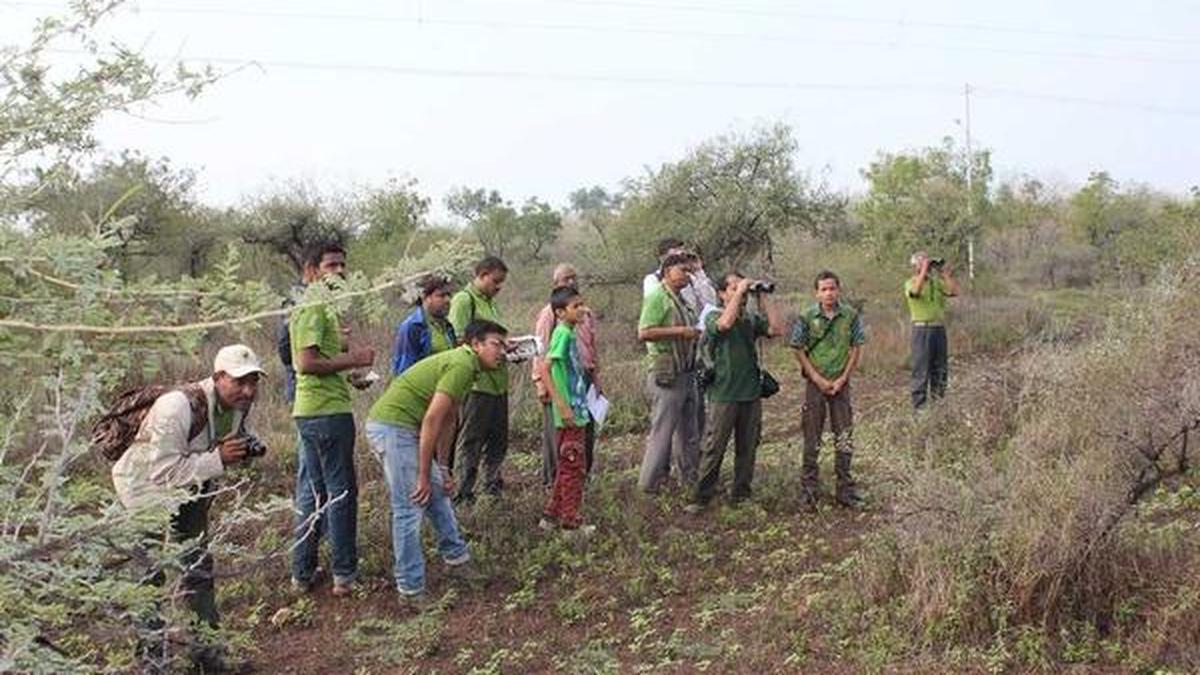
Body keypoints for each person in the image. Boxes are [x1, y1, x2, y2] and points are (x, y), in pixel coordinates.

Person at [111, 344, 267, 672]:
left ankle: (207, 656)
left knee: (198, 567)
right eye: (240, 382)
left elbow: (215, 445)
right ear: (218, 377)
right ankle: (152, 663)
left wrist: (240, 449)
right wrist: (219, 459)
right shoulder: (177, 406)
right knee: (149, 576)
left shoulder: (238, 405)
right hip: (144, 490)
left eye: (253, 381)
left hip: (193, 485)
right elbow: (163, 472)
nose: (248, 390)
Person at [365, 320, 505, 606]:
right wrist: (423, 477)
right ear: (475, 344)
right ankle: (410, 590)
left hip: (407, 429)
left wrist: (442, 468)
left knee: (438, 493)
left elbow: (449, 419)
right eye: (496, 344)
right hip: (393, 428)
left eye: (504, 345)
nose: (502, 351)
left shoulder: (470, 367)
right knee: (411, 506)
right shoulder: (463, 364)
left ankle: (457, 561)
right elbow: (431, 420)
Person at [289, 241, 376, 597]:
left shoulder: (320, 307)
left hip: (314, 410)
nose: (338, 272)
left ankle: (303, 573)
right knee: (339, 492)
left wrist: (345, 364)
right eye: (330, 266)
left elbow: (317, 361)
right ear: (311, 270)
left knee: (314, 491)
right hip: (325, 413)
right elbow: (305, 364)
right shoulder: (313, 305)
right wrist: (354, 359)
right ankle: (344, 574)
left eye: (342, 266)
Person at [686, 273, 784, 513]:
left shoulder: (750, 318)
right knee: (714, 447)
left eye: (739, 287)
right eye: (731, 288)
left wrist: (763, 296)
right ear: (721, 294)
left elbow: (776, 329)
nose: (738, 291)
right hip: (723, 393)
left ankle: (741, 494)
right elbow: (724, 325)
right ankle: (701, 497)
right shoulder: (712, 314)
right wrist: (740, 291)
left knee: (748, 447)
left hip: (750, 392)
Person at [789, 270, 867, 509]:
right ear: (817, 293)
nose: (828, 293)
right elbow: (797, 347)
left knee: (843, 436)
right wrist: (816, 378)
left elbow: (856, 347)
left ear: (839, 290)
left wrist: (843, 378)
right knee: (812, 437)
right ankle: (809, 492)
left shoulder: (850, 316)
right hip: (815, 384)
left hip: (841, 384)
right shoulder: (806, 316)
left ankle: (845, 489)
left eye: (832, 288)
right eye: (823, 289)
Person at [637, 253, 702, 493]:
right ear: (667, 272)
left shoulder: (682, 299)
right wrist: (681, 332)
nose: (686, 274)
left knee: (689, 432)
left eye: (688, 270)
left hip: (686, 371)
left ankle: (690, 481)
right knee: (662, 433)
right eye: (682, 270)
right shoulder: (657, 297)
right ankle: (647, 486)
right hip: (667, 374)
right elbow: (644, 332)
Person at [448, 256, 510, 503]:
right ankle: (463, 493)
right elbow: (457, 340)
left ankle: (492, 486)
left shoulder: (491, 304)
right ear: (482, 275)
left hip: (498, 383)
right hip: (476, 385)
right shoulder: (464, 300)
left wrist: (506, 347)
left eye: (501, 282)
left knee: (498, 438)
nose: (498, 287)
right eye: (495, 281)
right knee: (472, 440)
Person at [532, 263, 599, 487]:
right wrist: (541, 384)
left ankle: (581, 477)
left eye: (574, 278)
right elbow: (541, 350)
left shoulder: (584, 314)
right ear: (556, 284)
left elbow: (591, 346)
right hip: (561, 382)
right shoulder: (550, 314)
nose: (571, 282)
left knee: (585, 430)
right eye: (566, 279)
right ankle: (555, 482)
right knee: (558, 435)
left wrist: (596, 378)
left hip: (584, 379)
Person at [537, 287, 595, 534]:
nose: (581, 309)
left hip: (577, 408)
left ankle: (551, 515)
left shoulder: (569, 333)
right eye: (575, 306)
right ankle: (570, 523)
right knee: (574, 467)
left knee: (566, 466)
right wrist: (561, 404)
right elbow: (545, 368)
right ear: (560, 312)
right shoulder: (562, 334)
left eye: (582, 304)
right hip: (569, 411)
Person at [905, 251, 961, 408]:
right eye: (922, 261)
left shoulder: (936, 283)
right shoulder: (911, 282)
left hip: (938, 329)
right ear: (915, 265)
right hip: (922, 330)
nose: (928, 265)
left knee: (940, 369)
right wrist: (923, 270)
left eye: (927, 261)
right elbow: (915, 292)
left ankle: (939, 406)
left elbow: (954, 292)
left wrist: (944, 274)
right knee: (921, 369)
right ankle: (919, 409)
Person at [391, 274, 456, 376]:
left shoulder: (447, 327)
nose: (447, 300)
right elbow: (404, 371)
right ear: (425, 297)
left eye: (449, 295)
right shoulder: (413, 327)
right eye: (441, 296)